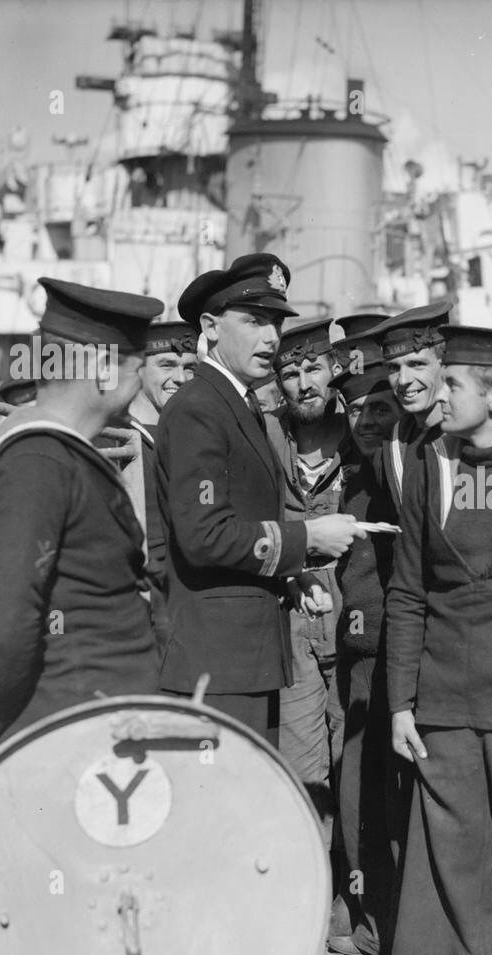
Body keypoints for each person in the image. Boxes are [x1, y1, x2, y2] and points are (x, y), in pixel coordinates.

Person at [386, 325, 492, 955]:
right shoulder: (433, 462)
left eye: (452, 382)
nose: (437, 394)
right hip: (445, 703)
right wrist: (402, 700)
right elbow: (408, 590)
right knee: (452, 866)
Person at [0, 279, 165, 746]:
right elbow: (8, 622)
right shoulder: (37, 463)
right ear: (103, 366)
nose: (140, 383)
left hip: (99, 723)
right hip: (72, 735)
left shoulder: (58, 456)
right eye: (136, 368)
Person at [155, 254, 364, 736]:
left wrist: (289, 579)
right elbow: (204, 535)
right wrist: (306, 538)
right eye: (254, 321)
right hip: (218, 662)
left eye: (275, 322)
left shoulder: (237, 405)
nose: (271, 337)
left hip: (241, 657)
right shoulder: (200, 409)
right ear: (210, 326)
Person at [328, 329, 402, 955]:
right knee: (359, 788)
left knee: (394, 791)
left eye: (382, 406)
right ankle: (367, 909)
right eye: (357, 410)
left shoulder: (412, 467)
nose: (369, 420)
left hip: (404, 652)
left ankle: (387, 917)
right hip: (361, 651)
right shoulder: (356, 475)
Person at [265, 316, 351, 826]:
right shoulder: (265, 433)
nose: (305, 384)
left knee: (353, 762)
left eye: (314, 369)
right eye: (292, 373)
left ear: (333, 368)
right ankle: (315, 893)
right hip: (289, 618)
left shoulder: (363, 429)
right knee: (301, 773)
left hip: (348, 612)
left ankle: (354, 894)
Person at [126, 320, 197, 653]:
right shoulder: (113, 436)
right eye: (167, 365)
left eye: (189, 367)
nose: (180, 378)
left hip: (189, 593)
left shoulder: (197, 433)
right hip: (139, 598)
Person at [367, 300, 454, 507]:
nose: (404, 380)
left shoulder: (470, 437)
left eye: (416, 364)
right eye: (393, 368)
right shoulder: (392, 445)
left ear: (446, 364)